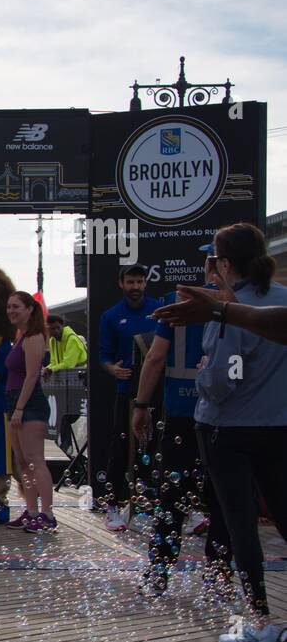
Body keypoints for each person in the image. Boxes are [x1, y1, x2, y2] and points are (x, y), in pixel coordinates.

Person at [188, 223, 287, 642]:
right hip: (279, 428)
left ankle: (260, 624)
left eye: (215, 260)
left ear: (225, 264)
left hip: (228, 432)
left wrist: (201, 373)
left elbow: (223, 381)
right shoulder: (283, 300)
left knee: (239, 526)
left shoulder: (230, 311)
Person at [131, 259, 225, 604]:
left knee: (172, 500)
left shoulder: (179, 302)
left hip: (182, 417)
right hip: (226, 419)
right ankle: (219, 578)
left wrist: (140, 406)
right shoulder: (243, 305)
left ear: (215, 265)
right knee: (223, 501)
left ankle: (158, 573)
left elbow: (155, 358)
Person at [97, 265, 162, 531]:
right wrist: (113, 369)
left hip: (157, 392)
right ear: (121, 284)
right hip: (126, 395)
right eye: (130, 282)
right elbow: (103, 357)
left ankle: (151, 505)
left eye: (139, 281)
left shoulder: (159, 310)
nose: (135, 286)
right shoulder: (111, 316)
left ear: (145, 283)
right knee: (120, 449)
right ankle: (111, 506)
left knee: (156, 450)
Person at [4, 292, 56, 533]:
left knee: (35, 460)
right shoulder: (21, 337)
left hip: (29, 404)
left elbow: (32, 375)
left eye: (16, 307)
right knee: (22, 462)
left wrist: (20, 408)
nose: (11, 311)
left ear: (29, 310)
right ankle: (31, 511)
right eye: (9, 307)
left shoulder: (34, 337)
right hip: (15, 402)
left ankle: (47, 514)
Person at [153, 273, 287, 345]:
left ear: (225, 264)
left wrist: (221, 310)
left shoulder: (221, 311)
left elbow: (219, 380)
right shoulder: (282, 293)